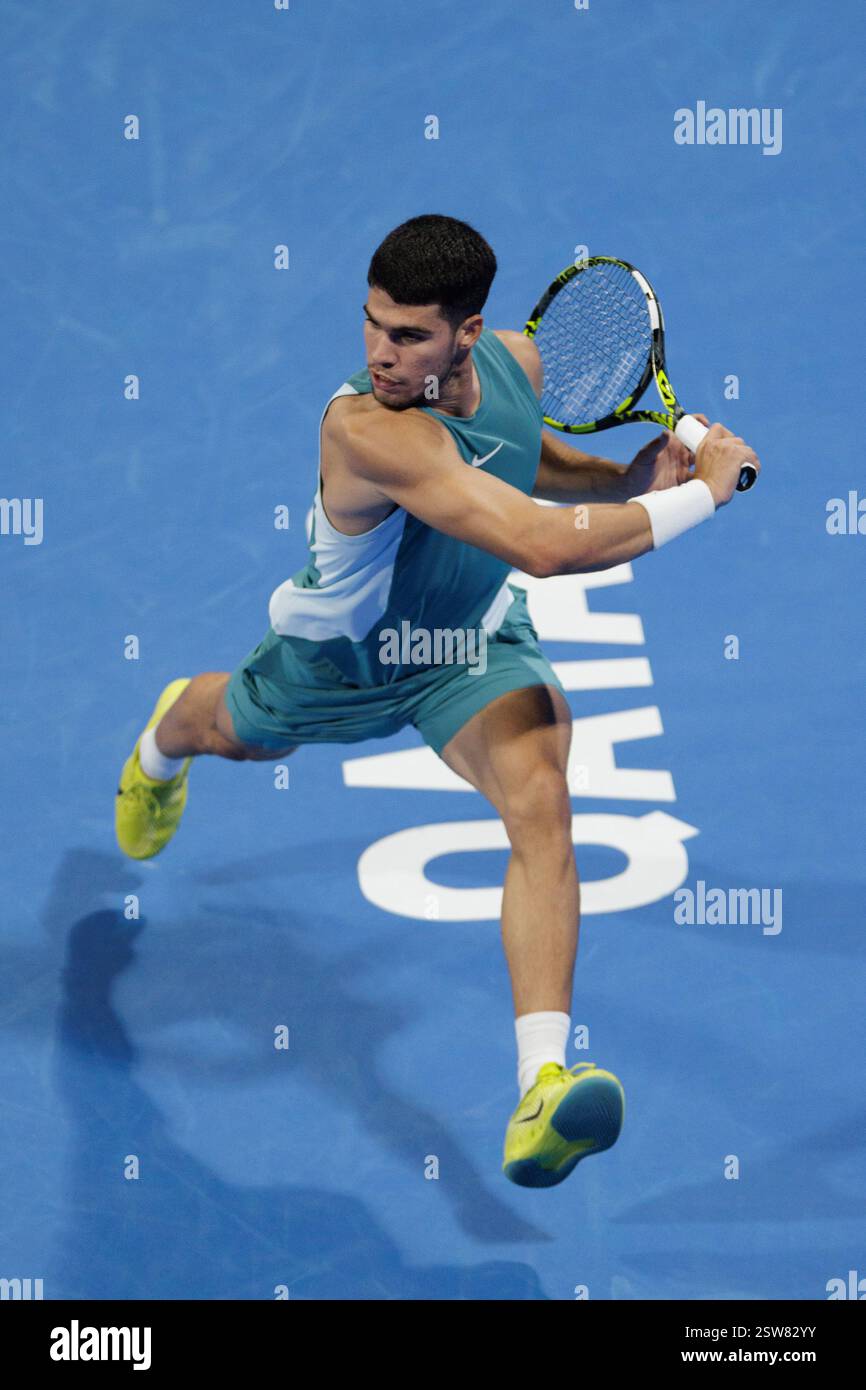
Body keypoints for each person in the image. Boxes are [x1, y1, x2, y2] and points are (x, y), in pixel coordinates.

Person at [115, 213, 760, 1188]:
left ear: (466, 333)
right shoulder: (365, 429)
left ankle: (540, 1083)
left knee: (541, 796)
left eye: (408, 334)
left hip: (468, 645)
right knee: (230, 730)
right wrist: (698, 495)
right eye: (372, 325)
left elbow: (517, 455)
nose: (381, 351)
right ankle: (162, 745)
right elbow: (542, 547)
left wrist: (625, 477)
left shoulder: (513, 366)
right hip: (342, 663)